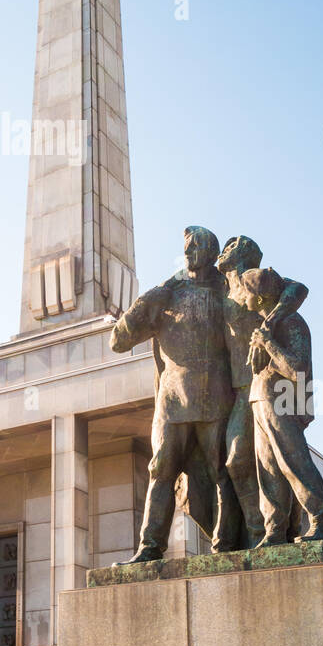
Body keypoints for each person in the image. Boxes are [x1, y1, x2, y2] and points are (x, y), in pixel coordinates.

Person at [110, 225, 235, 557]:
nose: (190, 253)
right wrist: (148, 299)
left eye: (197, 247)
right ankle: (149, 547)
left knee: (222, 470)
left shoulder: (226, 293)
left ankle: (227, 544)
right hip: (173, 401)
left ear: (211, 253)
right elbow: (118, 341)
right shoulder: (167, 295)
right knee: (160, 470)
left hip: (216, 398)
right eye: (187, 247)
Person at [216, 235, 309, 549]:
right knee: (256, 462)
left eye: (229, 247)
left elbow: (299, 289)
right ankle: (267, 531)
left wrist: (268, 327)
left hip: (273, 385)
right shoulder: (218, 289)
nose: (221, 252)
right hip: (248, 387)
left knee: (288, 457)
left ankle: (293, 526)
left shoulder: (258, 281)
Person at [240, 266, 323, 546]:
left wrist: (267, 342)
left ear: (260, 295)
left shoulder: (291, 323)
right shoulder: (267, 322)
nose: (243, 296)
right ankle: (274, 531)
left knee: (294, 461)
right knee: (267, 468)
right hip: (260, 399)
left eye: (247, 290)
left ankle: (319, 521)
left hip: (281, 399)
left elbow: (298, 368)